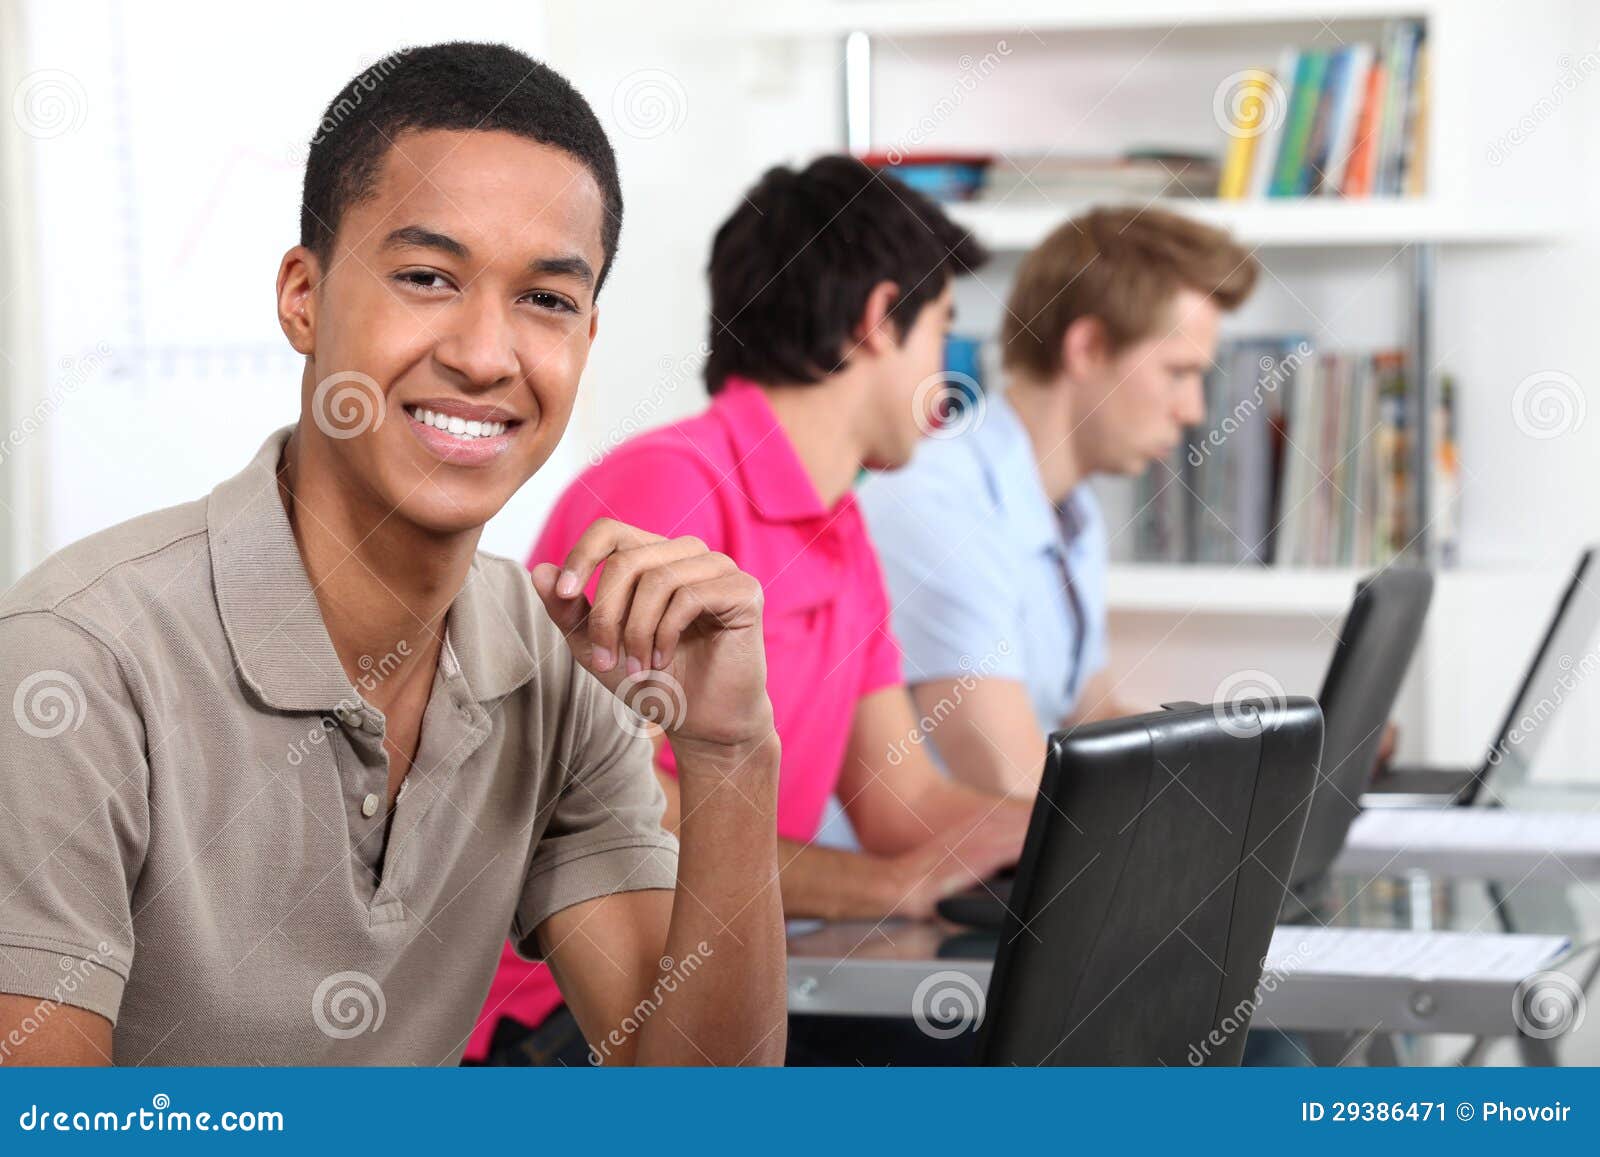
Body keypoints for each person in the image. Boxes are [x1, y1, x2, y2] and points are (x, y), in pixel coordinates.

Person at [0, 42, 785, 1067]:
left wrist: (733, 752)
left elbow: (697, 1110)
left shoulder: (556, 664)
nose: (484, 355)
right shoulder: (74, 660)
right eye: (426, 277)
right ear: (303, 297)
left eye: (546, 300)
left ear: (587, 338)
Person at [470, 156, 1032, 1066]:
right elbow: (629, 816)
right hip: (568, 1019)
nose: (946, 371)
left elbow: (905, 802)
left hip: (727, 987)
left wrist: (1084, 839)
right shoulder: (669, 489)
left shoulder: (841, 525)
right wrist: (885, 886)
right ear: (878, 319)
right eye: (942, 331)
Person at [858, 206, 1259, 798]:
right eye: (1178, 372)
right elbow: (1013, 781)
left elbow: (1090, 715)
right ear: (1088, 347)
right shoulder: (939, 506)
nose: (1193, 410)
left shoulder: (1072, 510)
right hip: (951, 854)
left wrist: (1252, 767)